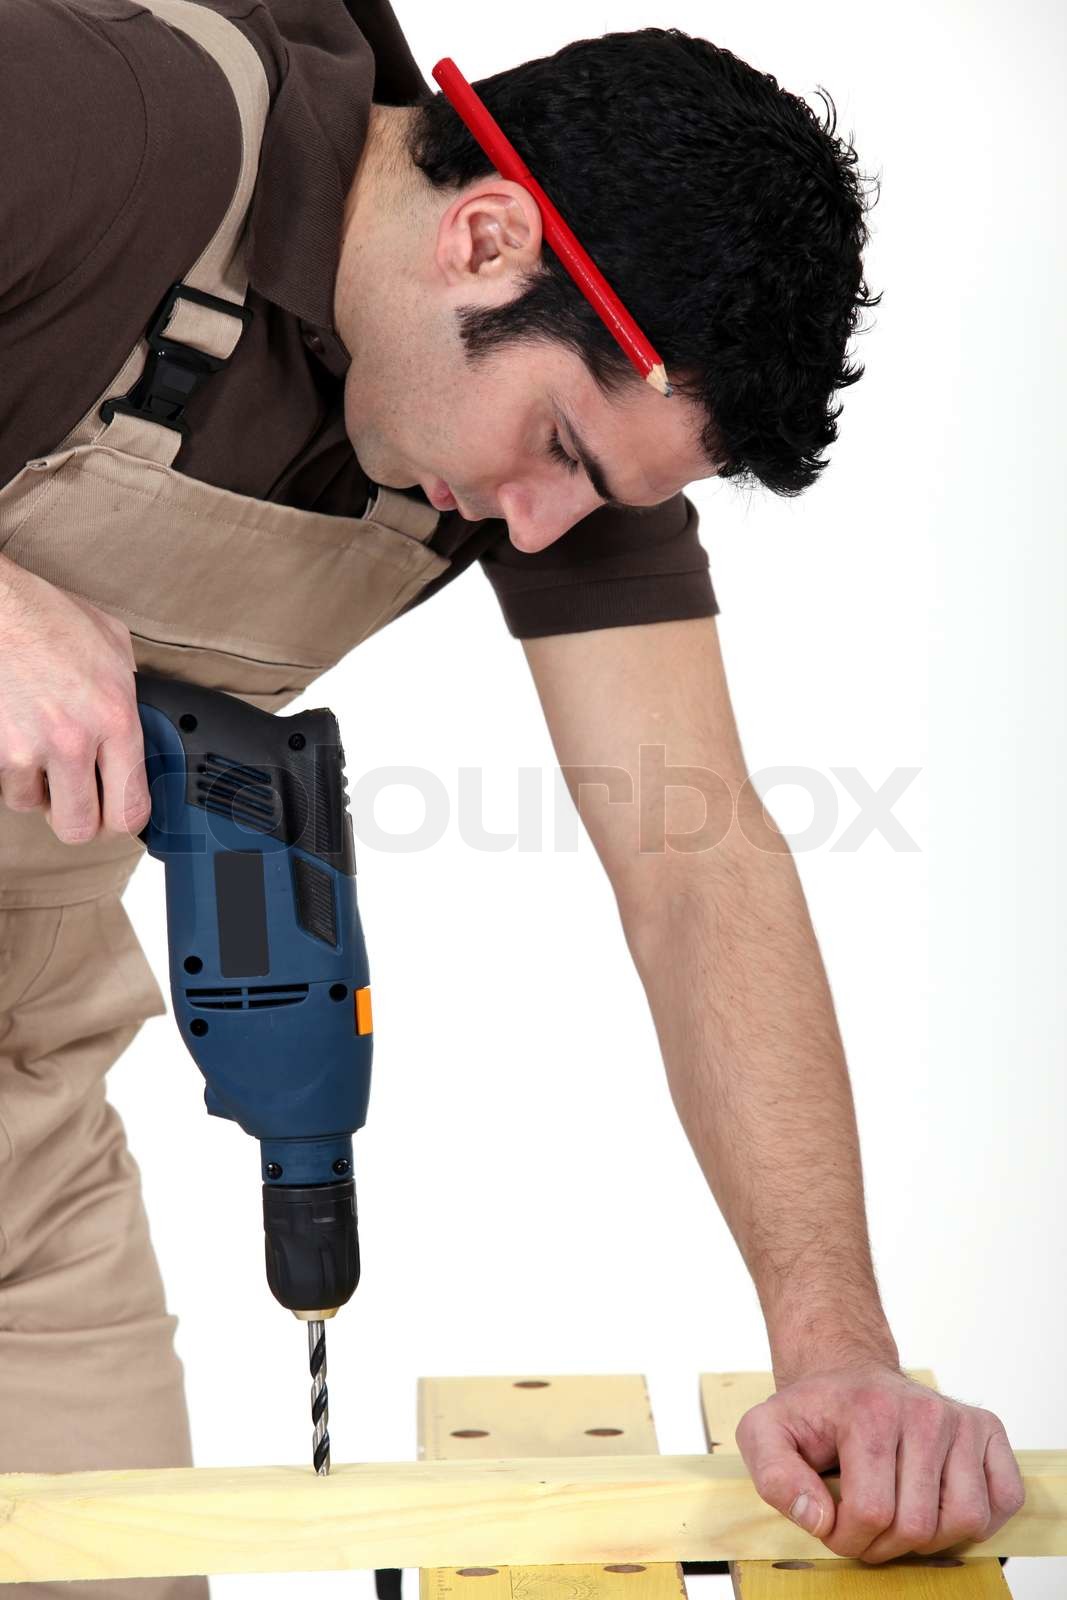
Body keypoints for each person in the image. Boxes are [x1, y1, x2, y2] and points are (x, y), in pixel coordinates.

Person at [0, 2, 1024, 1596]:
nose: (540, 528)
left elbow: (698, 865)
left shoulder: (545, 463)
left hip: (26, 1154)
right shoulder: (106, 126)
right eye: (557, 446)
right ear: (485, 239)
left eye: (598, 491)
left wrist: (837, 1349)